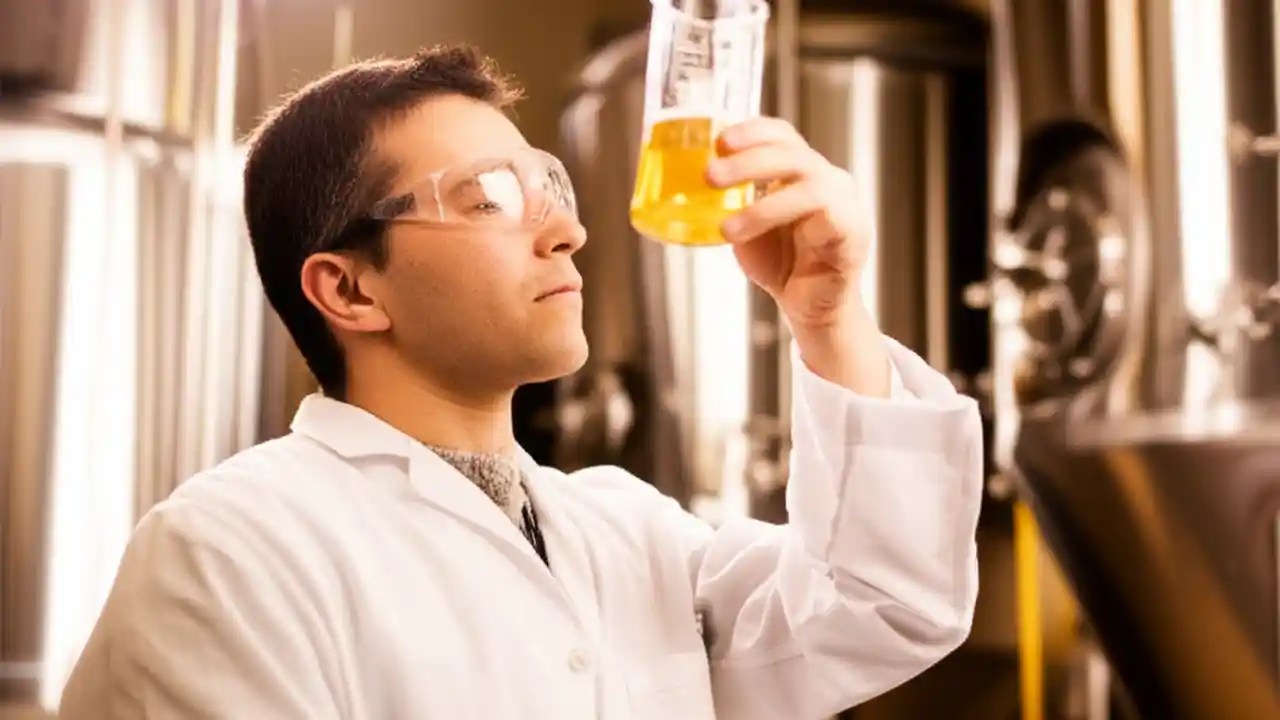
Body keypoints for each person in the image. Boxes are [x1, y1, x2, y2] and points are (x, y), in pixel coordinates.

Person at [59, 45, 982, 719]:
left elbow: (883, 606)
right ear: (348, 287)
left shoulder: (624, 531)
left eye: (549, 186)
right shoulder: (230, 554)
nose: (565, 232)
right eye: (490, 198)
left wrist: (827, 318)